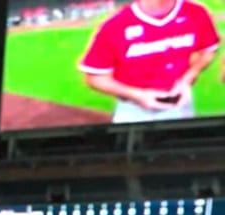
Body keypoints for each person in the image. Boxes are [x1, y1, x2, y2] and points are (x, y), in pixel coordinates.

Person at [79, 0, 220, 125]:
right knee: (131, 154)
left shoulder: (195, 13)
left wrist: (187, 79)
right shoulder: (116, 25)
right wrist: (138, 95)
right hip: (134, 111)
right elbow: (95, 77)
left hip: (179, 103)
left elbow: (208, 51)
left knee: (185, 152)